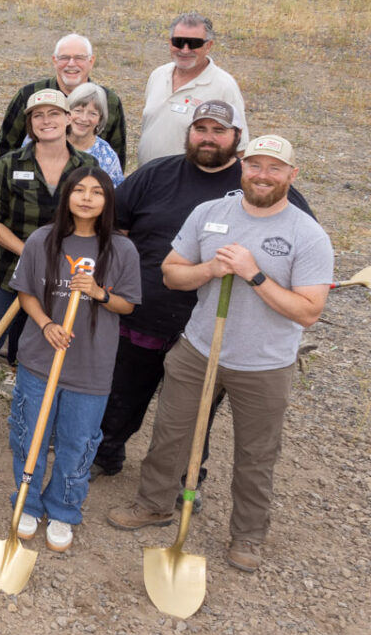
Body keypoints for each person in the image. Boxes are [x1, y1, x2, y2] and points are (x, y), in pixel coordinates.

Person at [107, 135, 331, 573]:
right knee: (170, 434)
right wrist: (210, 269)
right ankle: (154, 504)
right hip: (198, 348)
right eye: (256, 165)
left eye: (275, 168)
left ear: (292, 174)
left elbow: (308, 312)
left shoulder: (307, 234)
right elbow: (171, 274)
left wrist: (254, 275)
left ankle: (247, 535)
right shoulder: (209, 213)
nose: (263, 175)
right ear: (242, 167)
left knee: (256, 453)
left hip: (264, 364)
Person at [93, 101, 312, 478]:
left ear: (237, 137)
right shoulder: (155, 174)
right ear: (189, 132)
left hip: (215, 328)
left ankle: (185, 477)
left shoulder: (261, 186)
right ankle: (104, 455)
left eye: (219, 131)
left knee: (195, 412)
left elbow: (300, 253)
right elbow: (115, 228)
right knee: (122, 395)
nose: (208, 138)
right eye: (201, 129)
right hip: (145, 315)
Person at [3, 168, 140, 552]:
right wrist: (47, 324)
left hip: (90, 368)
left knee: (77, 444)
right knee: (29, 436)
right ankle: (28, 502)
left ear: (107, 201)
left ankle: (64, 508)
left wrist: (98, 292)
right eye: (79, 190)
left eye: (96, 192)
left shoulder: (122, 250)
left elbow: (128, 304)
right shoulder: (42, 240)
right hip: (39, 361)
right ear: (66, 196)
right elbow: (25, 293)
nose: (86, 198)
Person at [0, 88, 98, 436]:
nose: (46, 121)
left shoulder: (86, 168)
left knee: (54, 345)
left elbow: (94, 218)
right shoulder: (10, 164)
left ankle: (47, 424)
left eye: (54, 113)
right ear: (29, 124)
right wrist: (31, 254)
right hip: (9, 271)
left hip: (63, 277)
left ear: (68, 118)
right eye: (38, 116)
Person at [0, 33, 127, 160]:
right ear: (55, 60)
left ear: (91, 61)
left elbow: (117, 156)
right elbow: (5, 150)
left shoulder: (109, 101)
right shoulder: (29, 95)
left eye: (79, 58)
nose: (71, 64)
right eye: (64, 58)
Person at [138, 13, 247, 165]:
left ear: (208, 46)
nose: (185, 50)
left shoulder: (224, 86)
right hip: (148, 176)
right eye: (179, 42)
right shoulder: (158, 75)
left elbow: (240, 149)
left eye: (194, 43)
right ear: (170, 42)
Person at [67, 83, 124, 185]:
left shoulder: (107, 156)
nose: (84, 118)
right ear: (67, 113)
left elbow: (115, 192)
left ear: (100, 119)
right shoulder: (50, 142)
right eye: (78, 111)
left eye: (92, 113)